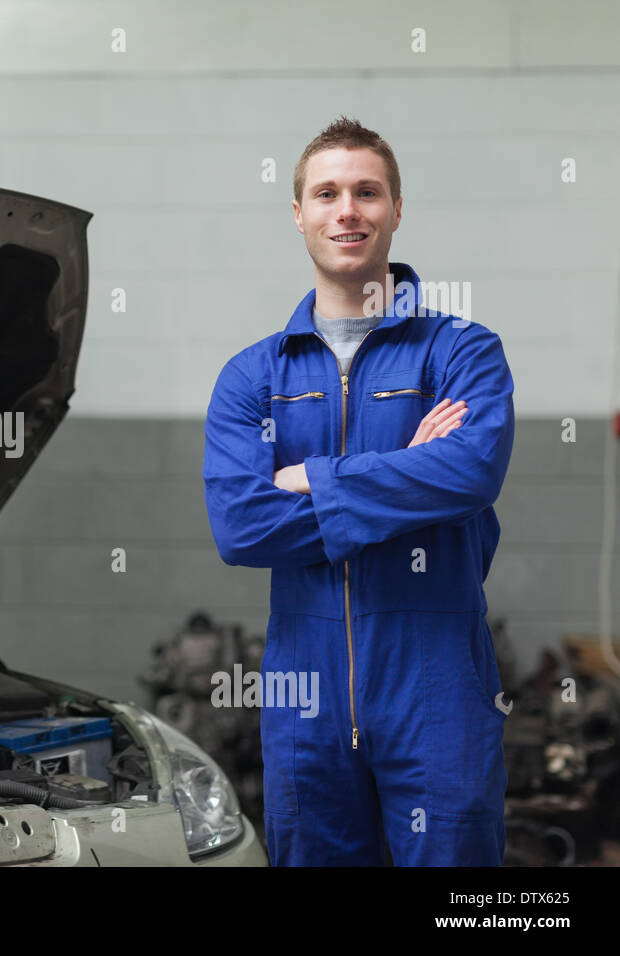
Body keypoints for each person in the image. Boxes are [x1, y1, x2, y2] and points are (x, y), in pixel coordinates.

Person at [202, 116, 515, 865]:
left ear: (396, 209)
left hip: (437, 684)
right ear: (300, 214)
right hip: (302, 698)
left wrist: (313, 477)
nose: (348, 210)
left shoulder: (461, 351)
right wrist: (408, 472)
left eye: (367, 192)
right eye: (328, 193)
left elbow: (470, 472)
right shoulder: (255, 376)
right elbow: (242, 527)